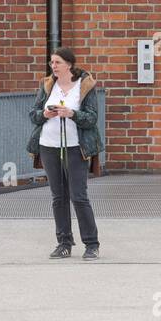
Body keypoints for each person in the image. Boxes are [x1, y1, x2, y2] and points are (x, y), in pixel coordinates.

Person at [28, 48, 102, 260]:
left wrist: (72, 113)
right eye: (52, 62)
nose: (53, 66)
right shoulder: (47, 85)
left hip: (75, 146)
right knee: (58, 197)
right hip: (48, 144)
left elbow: (92, 118)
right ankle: (64, 243)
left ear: (69, 64)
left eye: (57, 62)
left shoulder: (85, 85)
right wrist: (44, 113)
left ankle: (92, 243)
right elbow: (33, 115)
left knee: (78, 196)